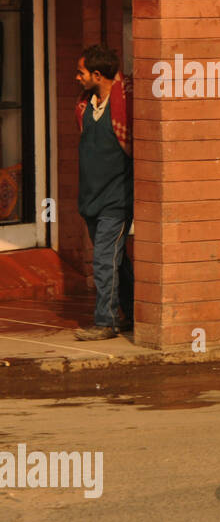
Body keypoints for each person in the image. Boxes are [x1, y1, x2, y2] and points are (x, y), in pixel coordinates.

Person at [73, 45, 133, 341]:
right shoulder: (85, 107)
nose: (77, 77)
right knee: (116, 262)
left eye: (81, 72)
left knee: (104, 261)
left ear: (98, 74)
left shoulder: (124, 107)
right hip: (91, 200)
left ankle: (106, 321)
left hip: (115, 202)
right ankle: (131, 313)